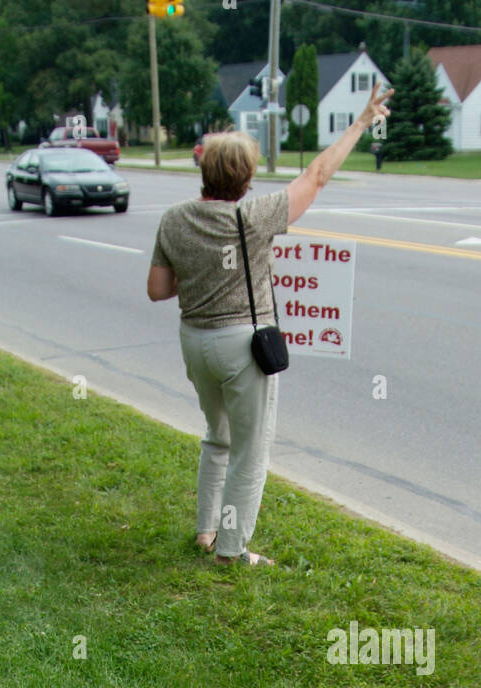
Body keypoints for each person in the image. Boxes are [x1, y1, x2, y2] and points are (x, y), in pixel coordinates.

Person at [147, 83, 392, 567]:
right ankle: (231, 552)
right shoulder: (256, 215)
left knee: (217, 438)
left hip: (194, 341)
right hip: (242, 347)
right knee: (249, 453)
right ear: (247, 176)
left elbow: (158, 289)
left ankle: (206, 532)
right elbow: (318, 175)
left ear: (203, 169)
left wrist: (200, 277)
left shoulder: (174, 218)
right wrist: (362, 122)